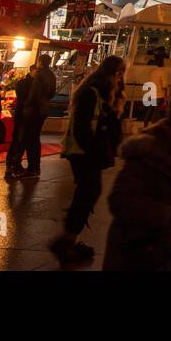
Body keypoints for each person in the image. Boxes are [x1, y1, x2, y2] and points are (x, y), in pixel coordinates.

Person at [103, 73, 171, 271]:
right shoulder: (147, 148)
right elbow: (119, 199)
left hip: (164, 243)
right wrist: (164, 213)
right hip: (134, 244)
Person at [50, 55, 126, 267]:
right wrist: (94, 153)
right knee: (88, 192)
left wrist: (117, 107)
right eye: (118, 73)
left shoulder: (103, 95)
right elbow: (83, 128)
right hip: (82, 151)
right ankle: (65, 240)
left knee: (88, 193)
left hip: (88, 152)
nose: (120, 78)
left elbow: (110, 128)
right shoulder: (90, 93)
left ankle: (68, 239)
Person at [19, 54, 57, 176]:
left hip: (33, 110)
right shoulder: (51, 75)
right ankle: (36, 167)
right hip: (43, 109)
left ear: (40, 62)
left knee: (29, 139)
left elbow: (33, 94)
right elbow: (52, 93)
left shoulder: (39, 75)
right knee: (35, 138)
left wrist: (26, 104)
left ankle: (32, 167)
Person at [4, 67, 34, 177]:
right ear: (32, 71)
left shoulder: (21, 83)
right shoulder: (31, 84)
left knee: (17, 140)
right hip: (24, 114)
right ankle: (14, 164)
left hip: (20, 113)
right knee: (20, 140)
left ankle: (12, 164)